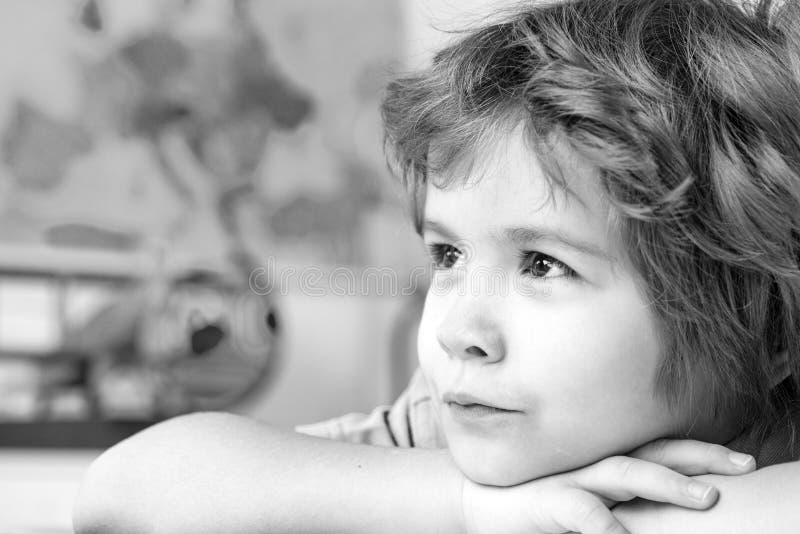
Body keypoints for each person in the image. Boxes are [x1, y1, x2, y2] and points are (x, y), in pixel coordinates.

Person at [73, 0, 800, 532]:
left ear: (762, 328)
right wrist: (465, 508)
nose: (459, 330)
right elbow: (120, 493)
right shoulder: (444, 425)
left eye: (544, 264)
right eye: (448, 254)